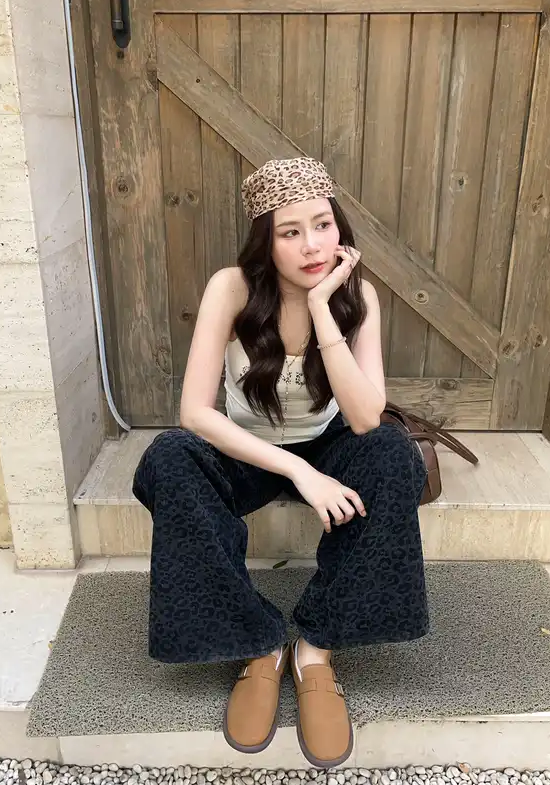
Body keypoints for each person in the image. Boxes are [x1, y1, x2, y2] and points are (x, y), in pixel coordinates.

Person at [133, 157, 429, 768]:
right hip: (248, 450)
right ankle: (259, 643)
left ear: (339, 227)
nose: (312, 245)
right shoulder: (232, 288)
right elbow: (195, 412)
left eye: (322, 225)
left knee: (392, 452)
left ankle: (315, 648)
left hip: (328, 441)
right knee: (171, 457)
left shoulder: (358, 296)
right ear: (265, 242)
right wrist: (298, 471)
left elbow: (366, 417)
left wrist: (324, 309)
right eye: (290, 232)